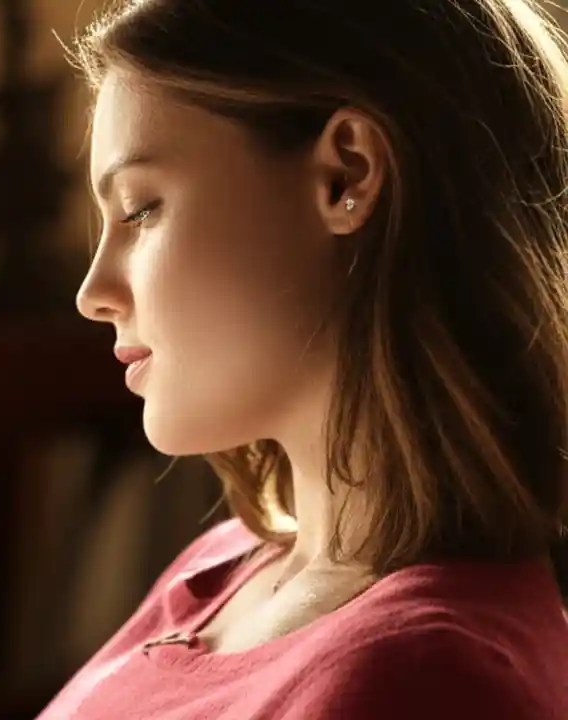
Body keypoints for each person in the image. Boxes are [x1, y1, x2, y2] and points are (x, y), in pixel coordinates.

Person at [40, 0, 568, 717]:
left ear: (345, 176)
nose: (93, 293)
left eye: (141, 209)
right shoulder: (220, 569)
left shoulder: (424, 679)